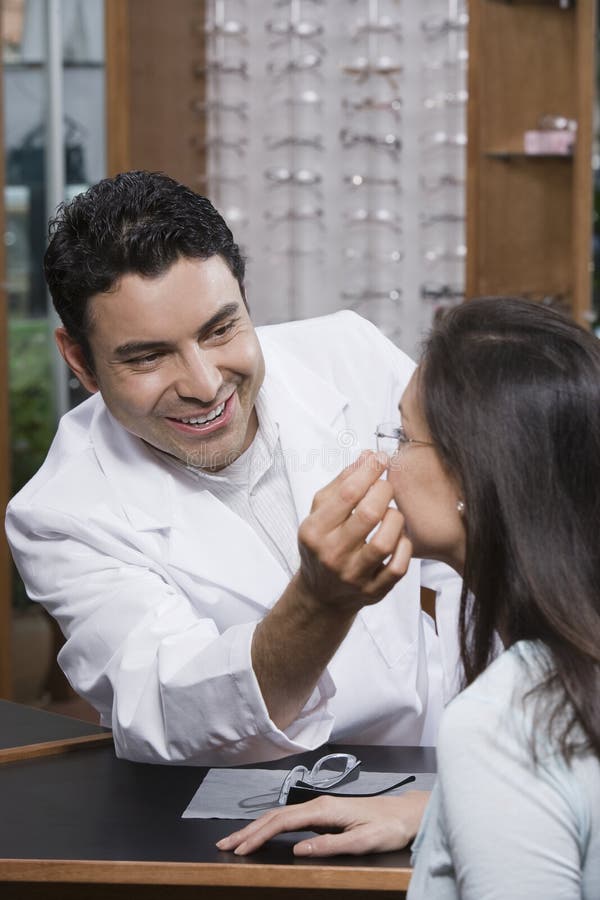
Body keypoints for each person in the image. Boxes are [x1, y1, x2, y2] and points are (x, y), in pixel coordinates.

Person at [5, 171, 461, 778]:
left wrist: (470, 766)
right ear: (80, 361)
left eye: (221, 330)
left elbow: (478, 554)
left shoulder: (350, 353)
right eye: (147, 356)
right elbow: (169, 709)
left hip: (444, 756)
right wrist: (318, 601)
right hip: (252, 805)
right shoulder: (59, 514)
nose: (204, 384)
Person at [217, 297, 600, 900]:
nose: (378, 459)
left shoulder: (503, 723)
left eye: (400, 435)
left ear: (474, 475)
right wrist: (445, 807)